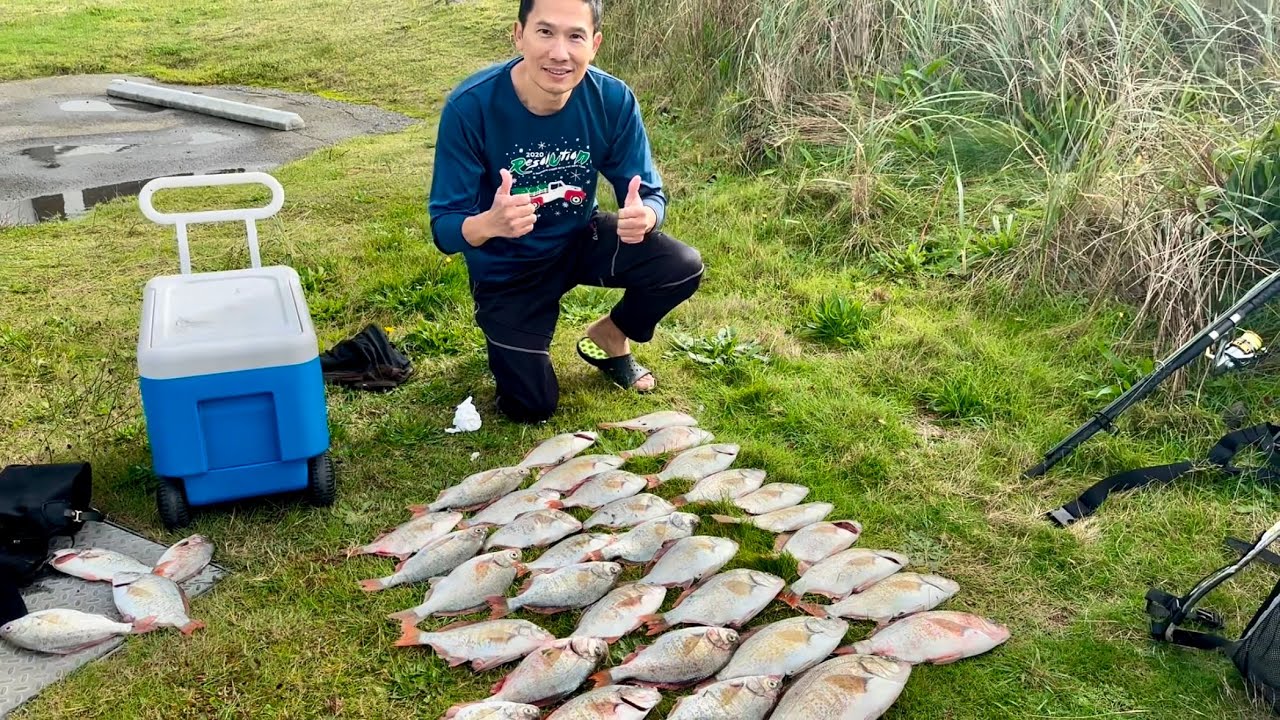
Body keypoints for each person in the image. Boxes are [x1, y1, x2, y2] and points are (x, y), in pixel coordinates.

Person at [427, 0, 705, 424]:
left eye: (575, 36)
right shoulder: (471, 107)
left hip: (579, 239)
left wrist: (647, 215)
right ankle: (514, 342)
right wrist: (488, 223)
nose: (560, 53)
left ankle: (610, 335)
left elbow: (649, 193)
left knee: (681, 266)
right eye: (545, 32)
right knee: (531, 406)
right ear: (518, 35)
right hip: (508, 267)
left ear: (594, 44)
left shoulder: (611, 99)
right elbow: (444, 227)